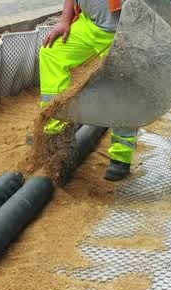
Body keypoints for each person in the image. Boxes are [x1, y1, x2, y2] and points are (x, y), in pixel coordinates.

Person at [40, 0, 138, 181]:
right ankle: (57, 134)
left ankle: (121, 156)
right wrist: (64, 21)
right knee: (52, 53)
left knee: (125, 87)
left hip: (125, 30)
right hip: (89, 25)